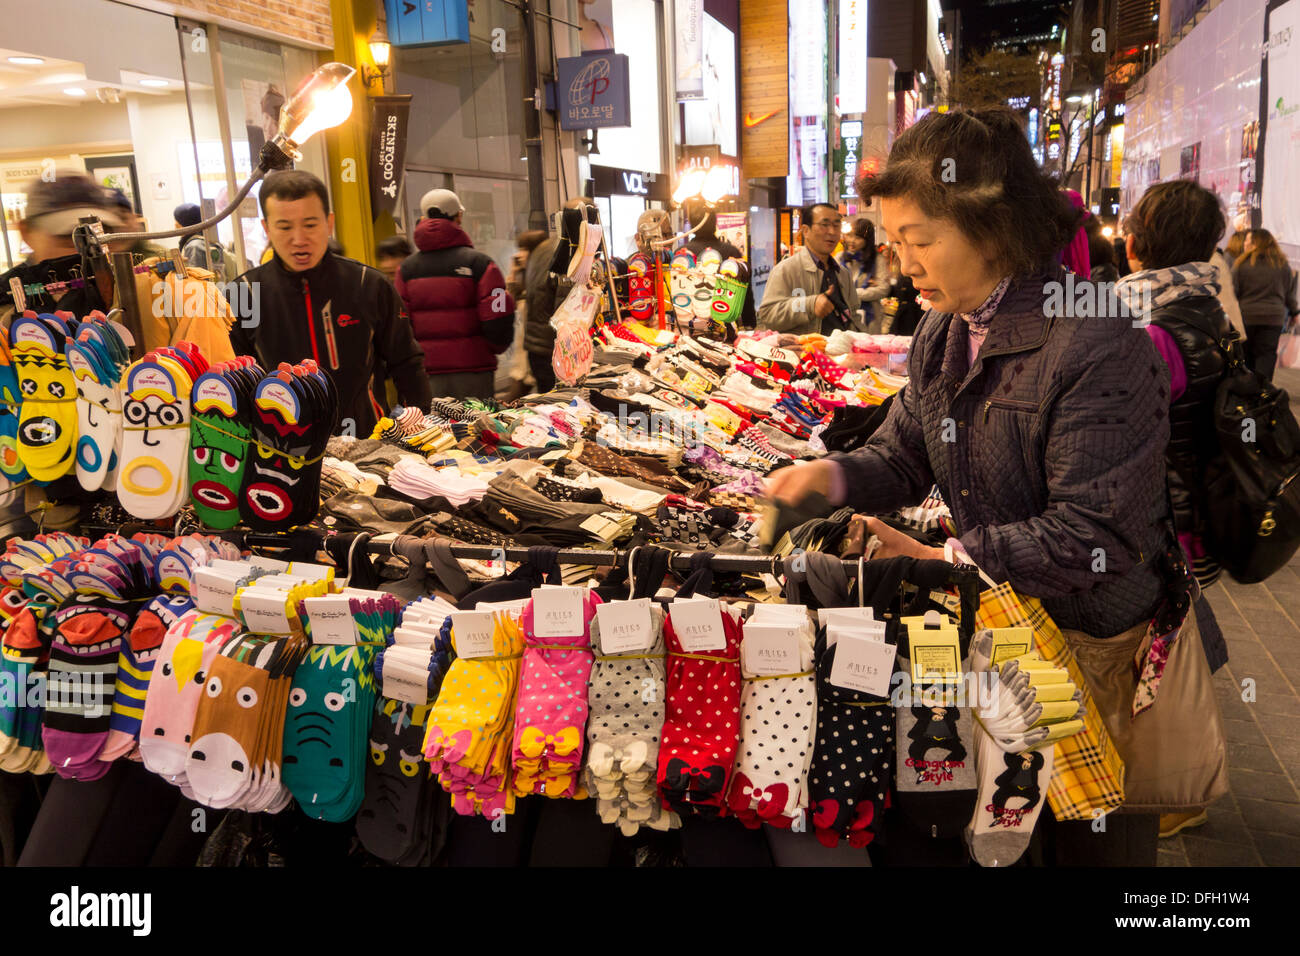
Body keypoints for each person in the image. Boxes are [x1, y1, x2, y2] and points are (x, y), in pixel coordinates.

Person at [766, 107, 1174, 866]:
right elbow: (906, 451)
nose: (903, 265)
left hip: (1086, 635)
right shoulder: (944, 327)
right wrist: (831, 475)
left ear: (993, 226)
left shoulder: (1096, 341)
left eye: (919, 242)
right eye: (893, 244)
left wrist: (947, 561)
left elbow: (1095, 536)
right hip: (1002, 620)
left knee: (1086, 828)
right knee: (1006, 814)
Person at [1119, 179, 1234, 840]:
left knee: (1168, 654)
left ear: (1139, 241)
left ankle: (1182, 788)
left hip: (1162, 517)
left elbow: (1125, 426)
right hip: (1188, 512)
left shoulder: (1149, 324)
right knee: (1187, 635)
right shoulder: (1208, 303)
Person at [228, 169, 431, 438]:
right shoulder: (244, 294)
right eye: (285, 226)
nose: (299, 239)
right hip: (281, 453)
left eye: (310, 224)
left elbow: (407, 363)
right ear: (266, 228)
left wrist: (418, 436)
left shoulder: (368, 285)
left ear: (329, 222)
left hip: (368, 446)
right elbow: (239, 384)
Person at [395, 188, 515, 401]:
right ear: (459, 216)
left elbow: (401, 321)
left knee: (434, 433)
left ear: (423, 218)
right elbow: (498, 309)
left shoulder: (405, 270)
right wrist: (496, 346)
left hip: (427, 373)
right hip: (474, 371)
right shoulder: (481, 264)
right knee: (476, 430)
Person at [0, 172, 122, 325]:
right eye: (69, 237)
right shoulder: (5, 301)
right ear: (27, 233)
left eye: (100, 233)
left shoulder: (129, 287)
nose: (89, 249)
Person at [757, 202, 860, 334]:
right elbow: (767, 314)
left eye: (836, 225)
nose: (832, 231)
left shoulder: (843, 274)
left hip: (840, 352)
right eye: (824, 225)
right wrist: (809, 305)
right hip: (802, 352)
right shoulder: (786, 270)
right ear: (806, 231)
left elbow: (854, 315)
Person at [524, 197, 591, 393]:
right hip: (555, 352)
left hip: (536, 346)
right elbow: (567, 313)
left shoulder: (544, 247)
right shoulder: (571, 253)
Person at [1232, 228, 1299, 381]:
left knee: (1246, 357)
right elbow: (1289, 293)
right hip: (1273, 319)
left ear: (1256, 243)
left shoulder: (1242, 264)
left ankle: (1247, 394)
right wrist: (1295, 312)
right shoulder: (1282, 265)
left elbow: (1234, 293)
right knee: (1266, 356)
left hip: (1246, 318)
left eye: (1248, 240)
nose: (1245, 243)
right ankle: (1264, 393)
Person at [838, 217, 888, 328]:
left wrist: (852, 293)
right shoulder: (840, 258)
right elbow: (833, 287)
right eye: (849, 235)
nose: (852, 240)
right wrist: (866, 291)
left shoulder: (877, 259)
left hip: (870, 318)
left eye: (858, 237)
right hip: (843, 315)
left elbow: (883, 289)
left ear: (867, 240)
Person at [174, 202, 229, 278]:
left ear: (186, 223)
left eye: (178, 220)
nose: (175, 224)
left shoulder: (194, 246)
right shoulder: (208, 241)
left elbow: (196, 279)